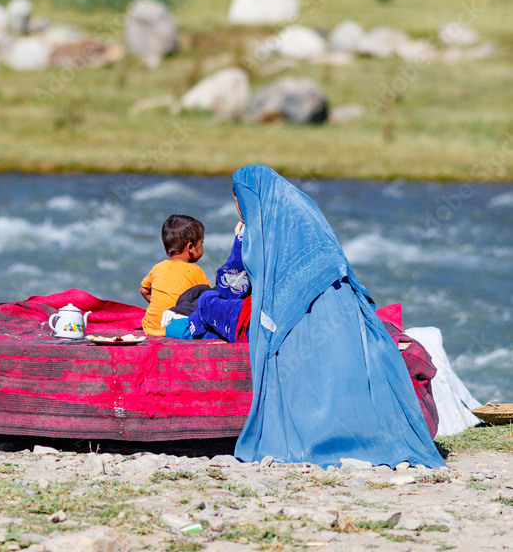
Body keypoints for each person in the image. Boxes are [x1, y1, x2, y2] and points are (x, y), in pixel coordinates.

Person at [233, 164, 445, 468]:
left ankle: (317, 440)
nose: (240, 210)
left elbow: (259, 269)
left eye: (240, 202)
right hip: (339, 298)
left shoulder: (268, 223)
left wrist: (245, 238)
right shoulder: (301, 206)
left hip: (308, 309)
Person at [140, 213, 210, 336]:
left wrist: (160, 304)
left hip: (151, 328)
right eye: (202, 243)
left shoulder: (158, 267)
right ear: (191, 247)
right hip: (176, 330)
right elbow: (207, 300)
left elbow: (143, 290)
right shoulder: (195, 271)